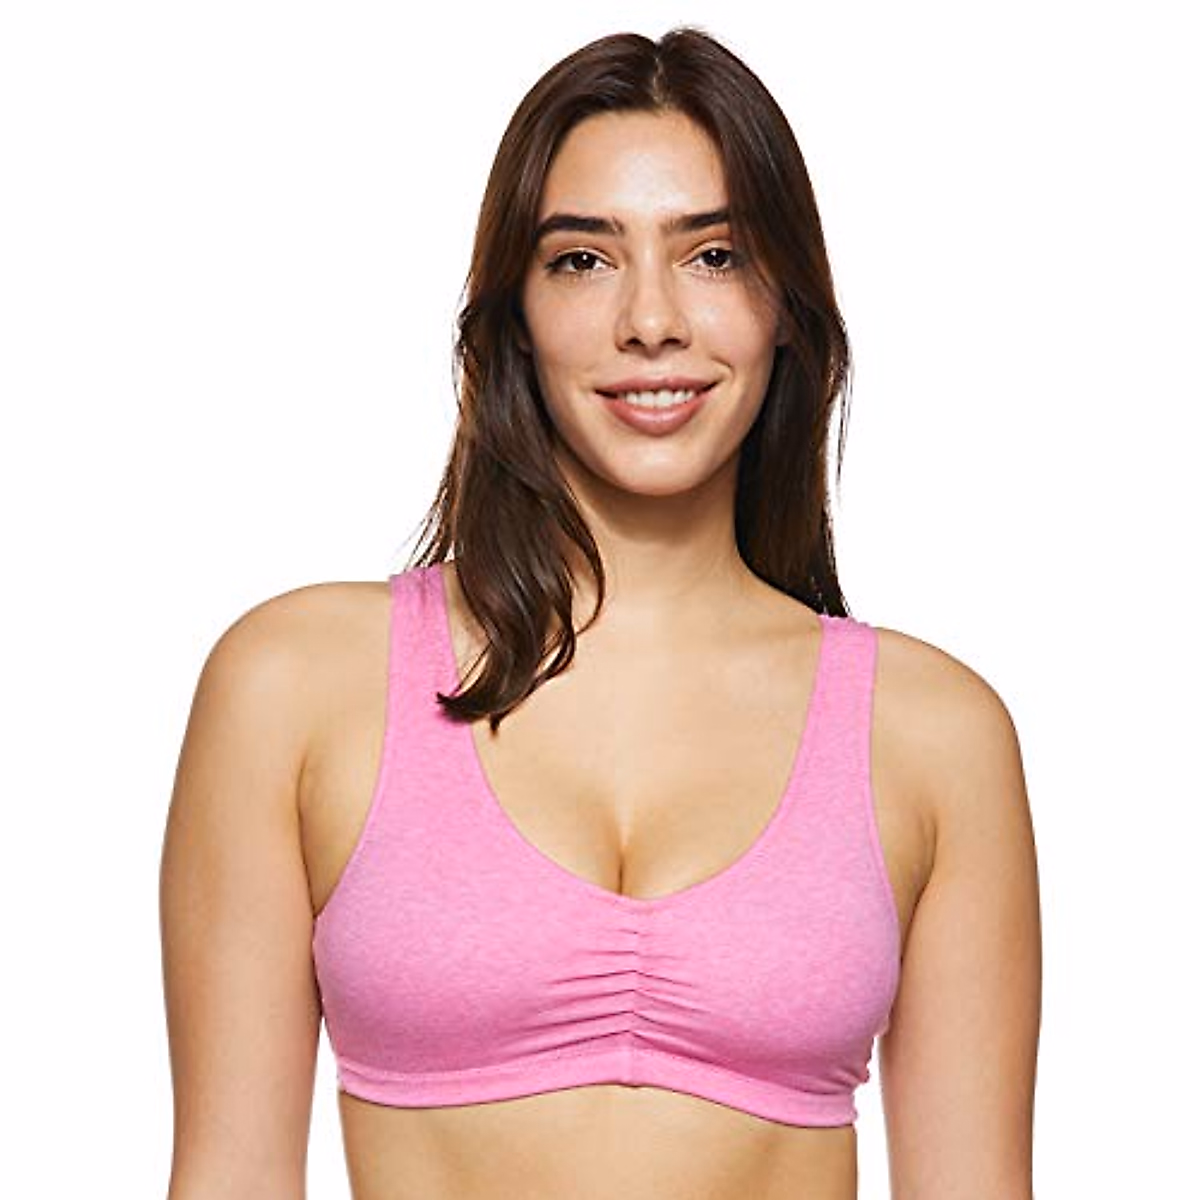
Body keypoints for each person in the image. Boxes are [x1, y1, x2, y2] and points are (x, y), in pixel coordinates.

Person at [160, 25, 1041, 1200]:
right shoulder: (294, 686)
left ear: (786, 305)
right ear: (514, 313)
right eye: (582, 259)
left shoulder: (934, 734)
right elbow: (228, 1175)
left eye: (714, 255)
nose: (651, 320)